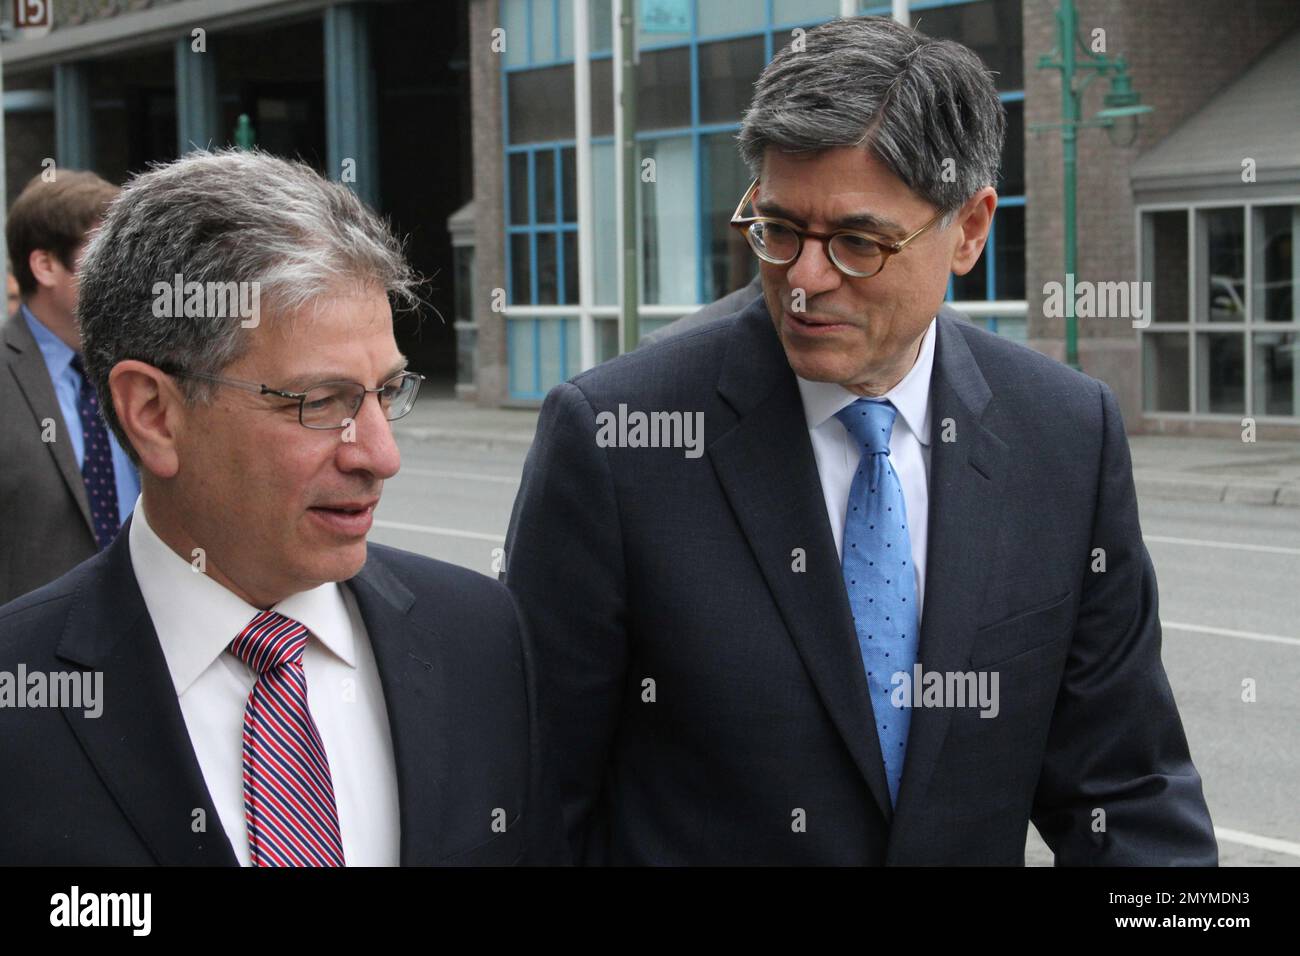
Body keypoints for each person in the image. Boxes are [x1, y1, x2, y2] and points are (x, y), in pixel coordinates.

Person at [504, 16, 1216, 865]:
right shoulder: (616, 440)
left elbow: (1125, 791)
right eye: (778, 229)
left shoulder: (1066, 435)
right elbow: (536, 804)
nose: (805, 281)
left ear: (971, 228)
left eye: (855, 242)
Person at [0, 149, 563, 866]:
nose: (381, 455)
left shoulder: (481, 637)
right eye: (320, 402)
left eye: (387, 392)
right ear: (154, 413)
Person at [0, 171, 139, 605]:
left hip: (147, 627)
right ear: (45, 266)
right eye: (103, 255)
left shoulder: (147, 369)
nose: (122, 275)